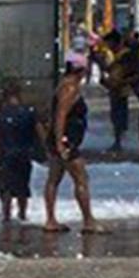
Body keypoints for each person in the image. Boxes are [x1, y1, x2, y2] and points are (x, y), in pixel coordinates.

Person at [43, 53, 97, 232]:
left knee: (54, 178)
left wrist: (51, 140)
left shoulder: (63, 85)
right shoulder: (70, 88)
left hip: (60, 139)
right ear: (80, 70)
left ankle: (50, 220)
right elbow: (60, 115)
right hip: (66, 141)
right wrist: (60, 143)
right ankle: (88, 221)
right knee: (81, 179)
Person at [0, 82, 43, 236]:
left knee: (6, 187)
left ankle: (6, 216)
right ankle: (22, 214)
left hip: (6, 155)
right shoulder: (28, 112)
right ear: (18, 95)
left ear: (4, 97)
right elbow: (39, 132)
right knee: (23, 186)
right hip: (24, 154)